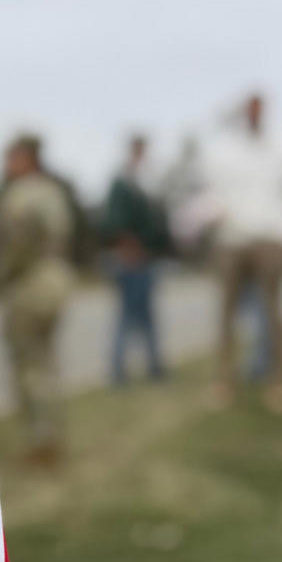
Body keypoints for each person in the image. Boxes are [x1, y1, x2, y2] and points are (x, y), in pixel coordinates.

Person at [200, 93, 282, 412]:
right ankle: (224, 379)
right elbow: (212, 188)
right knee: (226, 314)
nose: (255, 114)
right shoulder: (223, 149)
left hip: (270, 238)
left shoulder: (281, 148)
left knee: (275, 316)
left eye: (260, 108)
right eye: (250, 108)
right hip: (231, 238)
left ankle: (280, 381)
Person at [0, 133, 81, 464]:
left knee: (28, 367)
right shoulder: (53, 192)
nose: (5, 165)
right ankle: (52, 432)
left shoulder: (20, 195)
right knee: (46, 362)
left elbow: (19, 245)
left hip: (29, 286)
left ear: (25, 158)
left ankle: (42, 439)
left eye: (10, 158)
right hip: (57, 283)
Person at [101, 134, 170, 385]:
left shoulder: (142, 183)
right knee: (127, 318)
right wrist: (130, 252)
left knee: (147, 318)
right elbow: (117, 224)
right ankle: (118, 372)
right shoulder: (123, 183)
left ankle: (154, 367)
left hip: (145, 259)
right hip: (132, 260)